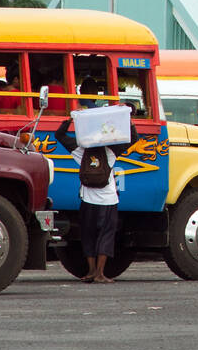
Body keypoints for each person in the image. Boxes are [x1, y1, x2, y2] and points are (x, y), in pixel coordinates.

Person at [55, 111, 139, 284]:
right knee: (106, 235)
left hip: (87, 200)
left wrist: (71, 119)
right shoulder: (111, 151)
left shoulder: (80, 151)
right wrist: (128, 119)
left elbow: (59, 135)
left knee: (88, 235)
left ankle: (91, 271)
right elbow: (134, 138)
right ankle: (100, 273)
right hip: (108, 200)